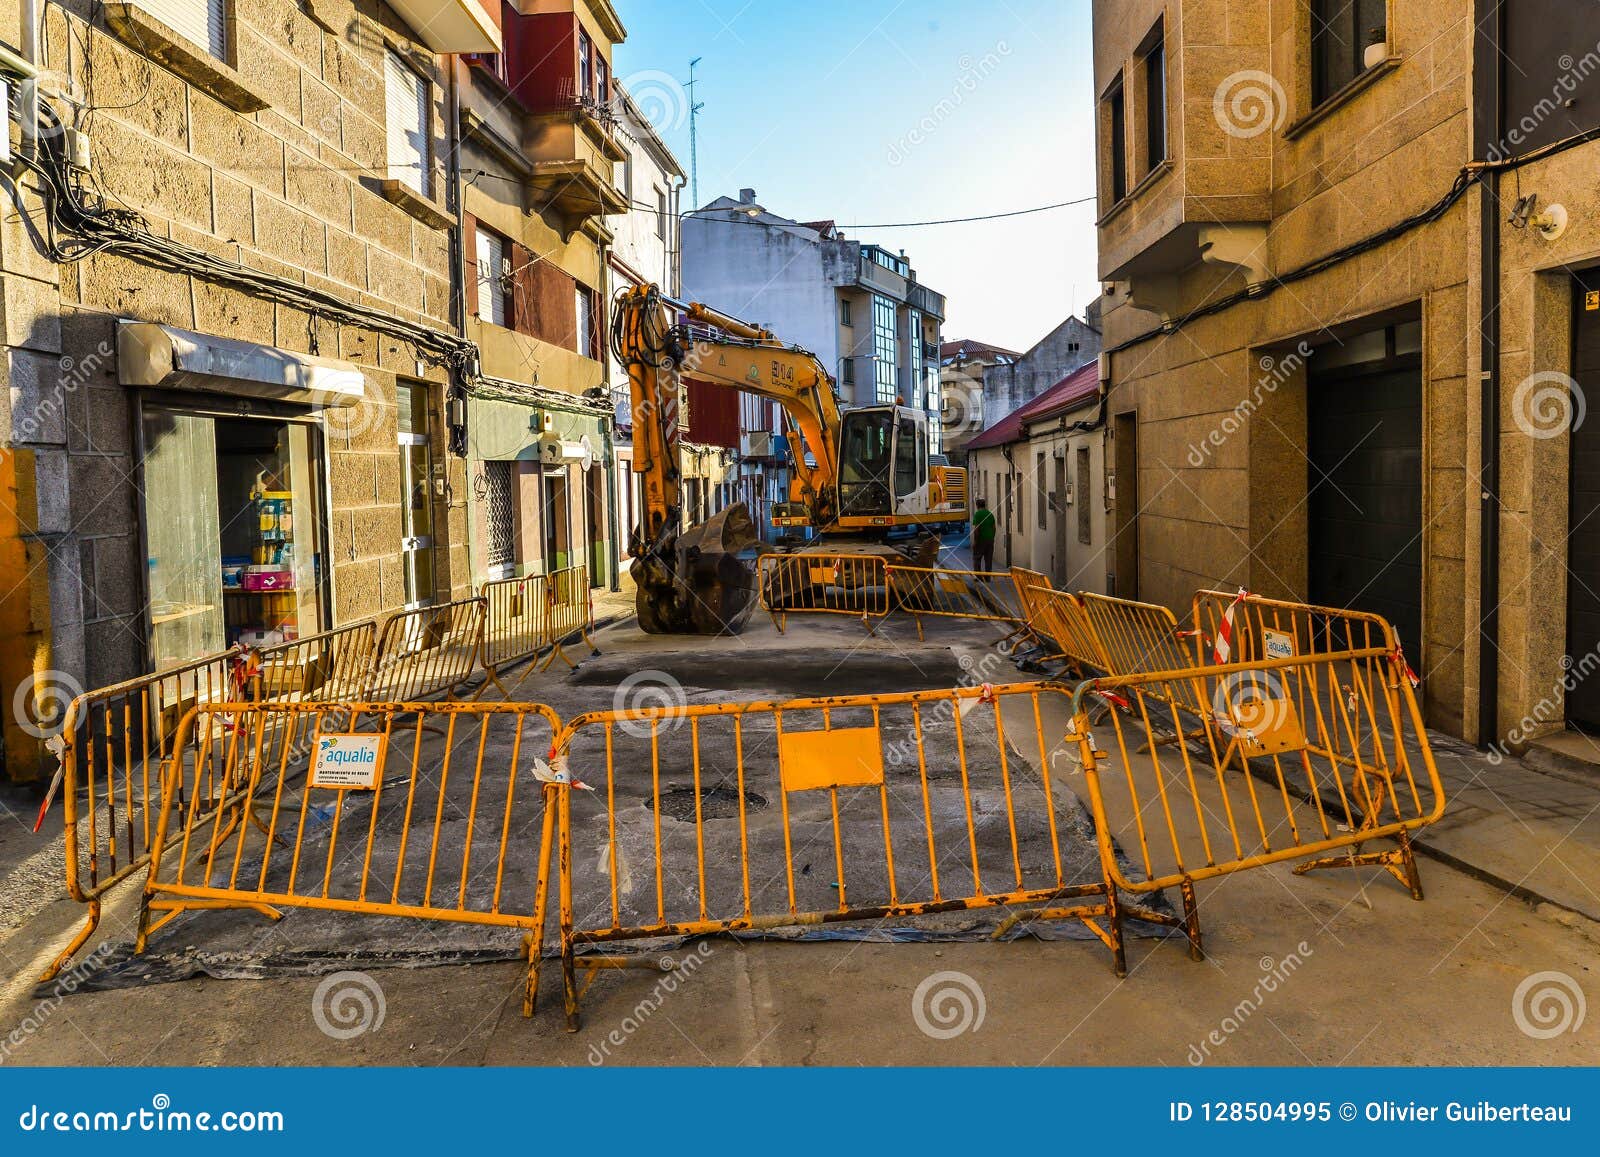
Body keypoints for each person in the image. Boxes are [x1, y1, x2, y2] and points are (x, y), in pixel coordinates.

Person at [970, 497, 996, 575]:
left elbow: (976, 529)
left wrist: (975, 542)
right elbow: (994, 528)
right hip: (990, 540)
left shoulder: (977, 514)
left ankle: (978, 576)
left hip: (981, 540)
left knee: (977, 558)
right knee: (988, 559)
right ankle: (988, 577)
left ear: (977, 506)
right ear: (985, 505)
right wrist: (992, 537)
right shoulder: (990, 514)